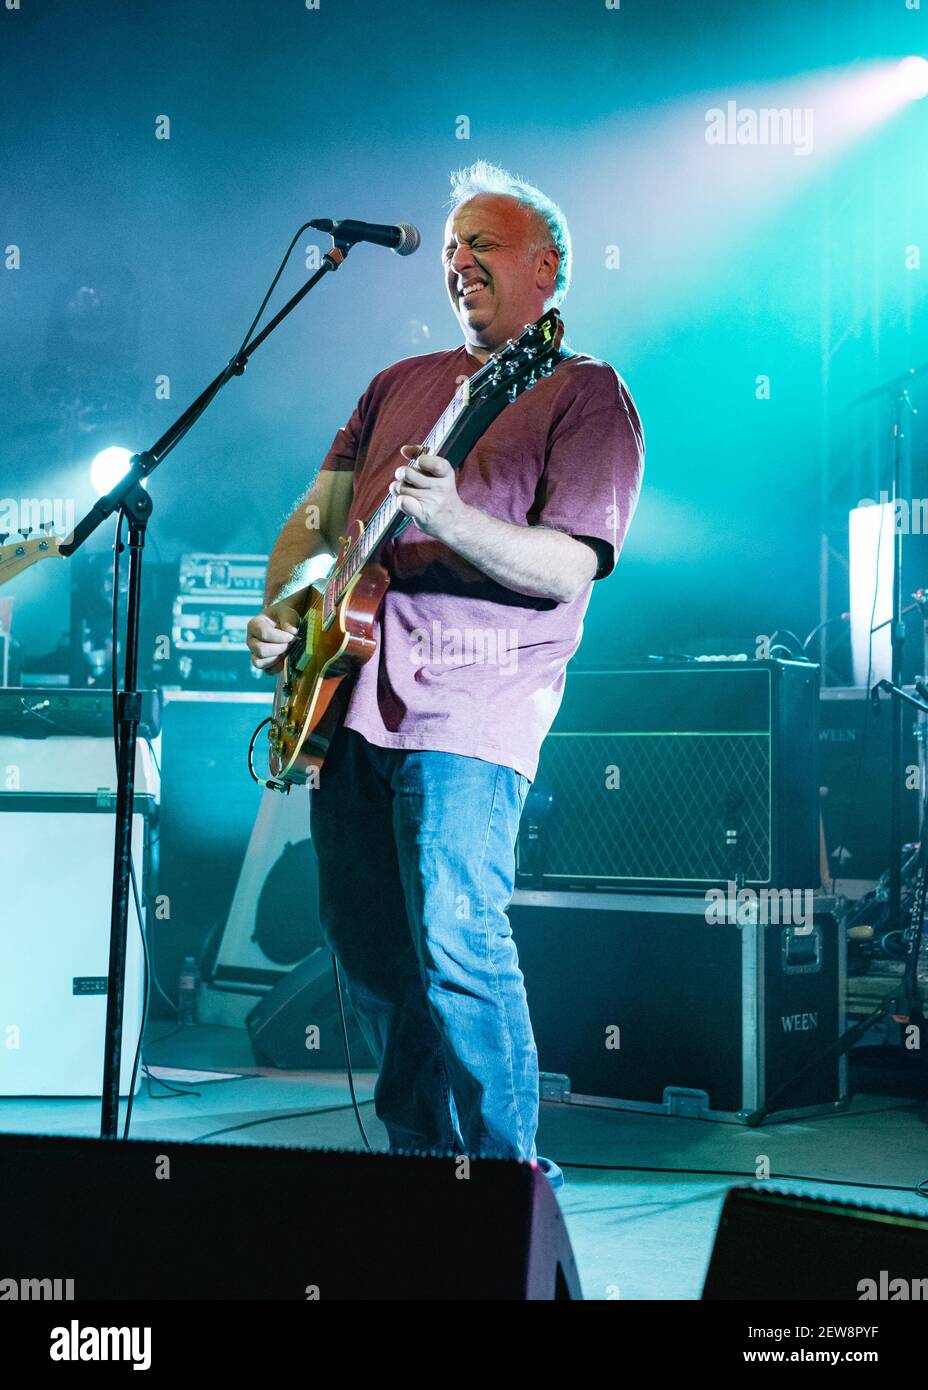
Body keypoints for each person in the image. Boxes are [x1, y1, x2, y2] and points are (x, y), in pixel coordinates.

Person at [246, 160, 644, 1190]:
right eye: (453, 245)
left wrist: (453, 517)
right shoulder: (395, 384)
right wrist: (289, 603)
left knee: (457, 933)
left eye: (486, 244)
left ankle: (509, 1188)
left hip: (473, 704)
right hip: (352, 704)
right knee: (367, 943)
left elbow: (567, 567)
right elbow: (316, 518)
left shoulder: (582, 391)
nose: (459, 261)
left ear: (548, 268)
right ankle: (426, 1174)